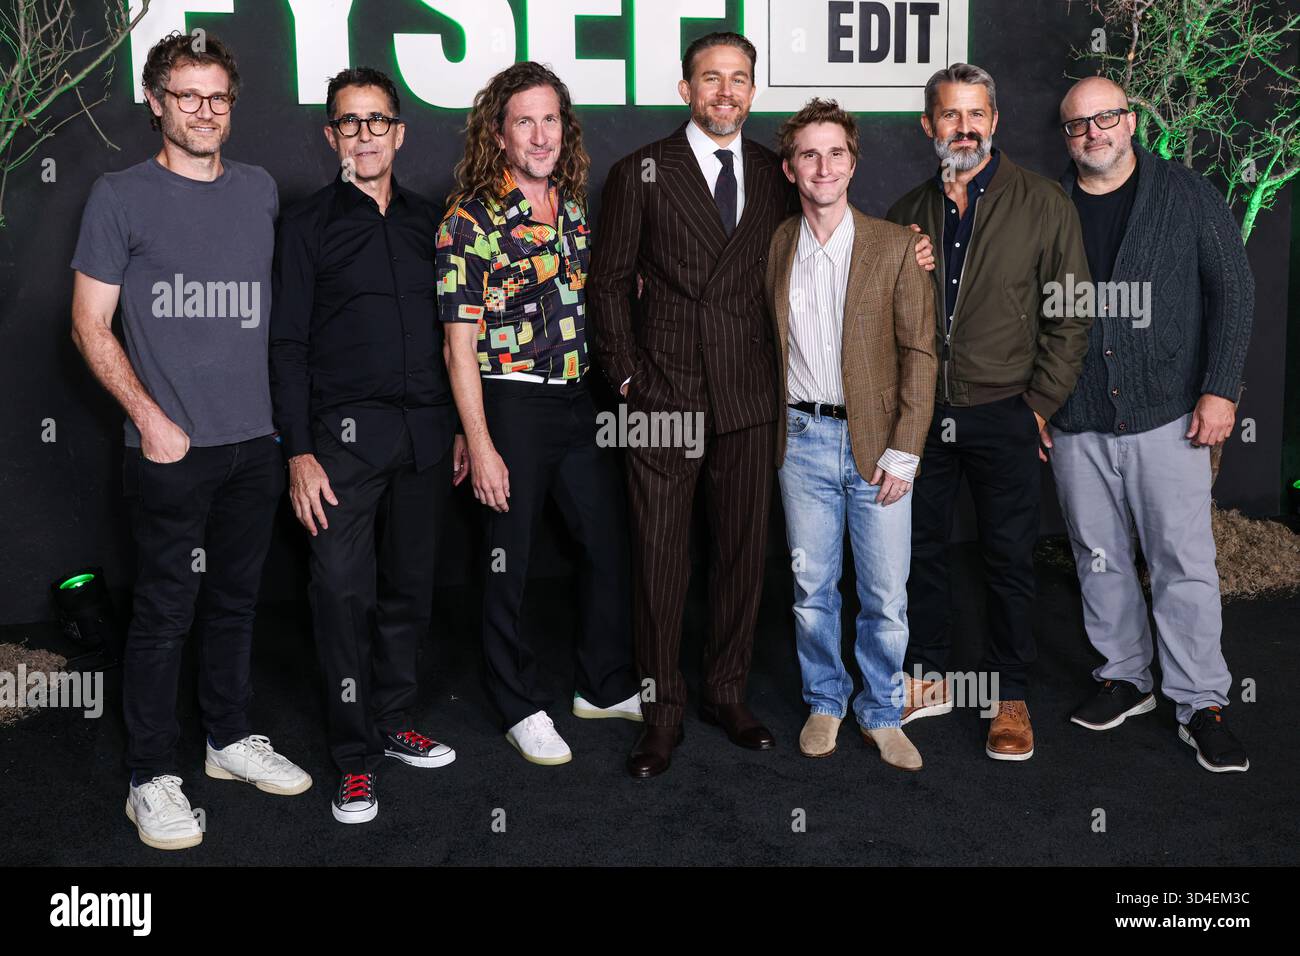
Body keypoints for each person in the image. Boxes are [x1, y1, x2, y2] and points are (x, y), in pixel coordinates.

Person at [71, 32, 310, 850]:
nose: (204, 111)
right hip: (169, 448)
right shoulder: (118, 196)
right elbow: (89, 324)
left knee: (237, 603)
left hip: (255, 444)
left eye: (217, 98)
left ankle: (226, 739)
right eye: (187, 96)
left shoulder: (260, 190)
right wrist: (148, 418)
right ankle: (149, 777)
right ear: (156, 103)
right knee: (166, 613)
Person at [587, 32, 794, 778]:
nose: (726, 93)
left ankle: (727, 693)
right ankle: (661, 712)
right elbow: (606, 285)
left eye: (740, 79)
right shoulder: (639, 171)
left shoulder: (779, 172)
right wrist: (628, 382)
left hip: (748, 395)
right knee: (659, 561)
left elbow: (827, 251)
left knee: (742, 557)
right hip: (663, 396)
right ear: (685, 88)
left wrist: (907, 246)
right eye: (711, 78)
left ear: (752, 90)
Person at [269, 67, 467, 824]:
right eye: (349, 123)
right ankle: (353, 761)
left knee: (408, 592)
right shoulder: (306, 225)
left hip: (424, 437)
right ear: (332, 136)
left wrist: (456, 428)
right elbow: (285, 345)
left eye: (377, 120)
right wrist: (299, 452)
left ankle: (392, 722)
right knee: (341, 595)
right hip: (339, 447)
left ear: (399, 132)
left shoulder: (433, 222)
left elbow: (456, 337)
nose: (364, 134)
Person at [437, 62, 641, 766]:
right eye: (524, 120)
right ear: (498, 134)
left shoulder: (573, 207)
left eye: (550, 118)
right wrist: (480, 440)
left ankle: (603, 685)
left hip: (574, 400)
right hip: (509, 400)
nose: (540, 133)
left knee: (605, 542)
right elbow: (458, 346)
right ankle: (519, 704)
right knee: (507, 562)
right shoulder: (471, 218)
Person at [886, 63, 1092, 761]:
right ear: (928, 125)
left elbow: (1070, 317)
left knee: (1007, 558)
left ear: (995, 121)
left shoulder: (1042, 203)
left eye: (976, 114)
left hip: (1006, 410)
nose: (964, 128)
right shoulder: (906, 211)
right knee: (921, 553)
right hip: (923, 415)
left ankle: (1009, 697)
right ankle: (931, 676)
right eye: (950, 115)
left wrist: (1038, 406)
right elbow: (879, 319)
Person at [1050, 77, 1254, 772]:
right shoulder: (1049, 204)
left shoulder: (1185, 194)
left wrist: (1220, 390)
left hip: (1168, 414)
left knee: (1183, 565)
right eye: (1078, 125)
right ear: (1066, 135)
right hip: (1077, 418)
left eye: (1105, 118)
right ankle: (1126, 677)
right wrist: (1037, 401)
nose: (1093, 133)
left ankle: (1201, 701)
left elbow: (1234, 290)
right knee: (1098, 557)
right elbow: (1022, 305)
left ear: (1130, 121)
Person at [767, 99, 937, 770]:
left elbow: (922, 354)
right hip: (800, 440)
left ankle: (882, 709)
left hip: (877, 446)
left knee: (885, 596)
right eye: (809, 153)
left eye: (836, 151)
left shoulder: (896, 245)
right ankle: (826, 700)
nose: (823, 165)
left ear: (853, 162)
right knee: (812, 588)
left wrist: (908, 450)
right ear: (790, 168)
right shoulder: (777, 245)